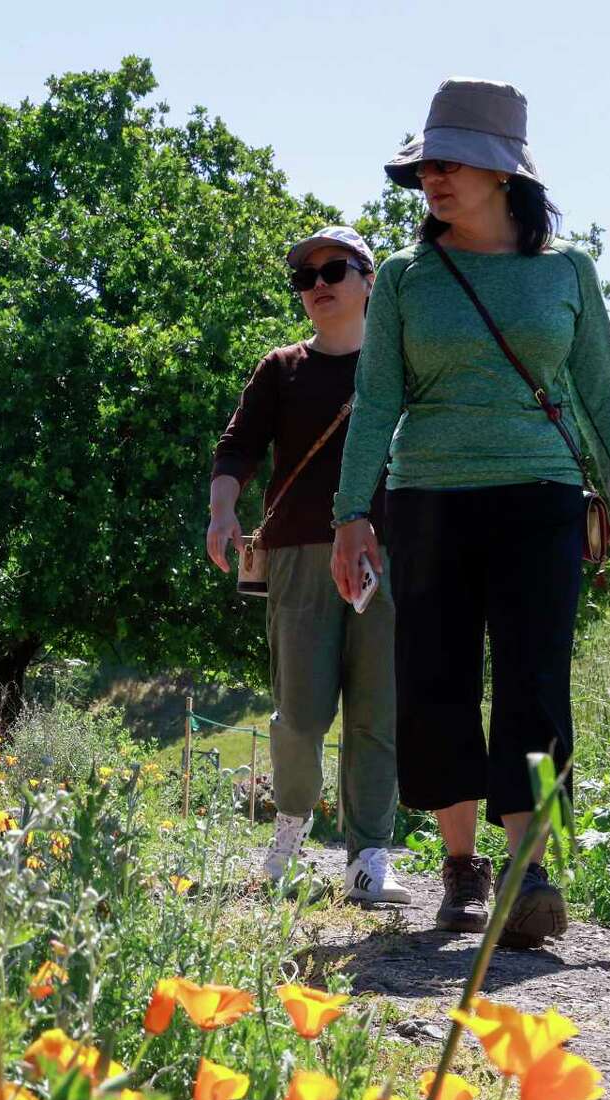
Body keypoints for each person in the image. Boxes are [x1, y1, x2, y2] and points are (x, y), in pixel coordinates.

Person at [331, 78, 610, 947]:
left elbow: (602, 397)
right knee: (436, 678)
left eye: (450, 163)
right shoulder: (403, 279)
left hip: (543, 498)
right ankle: (461, 868)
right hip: (427, 496)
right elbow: (374, 402)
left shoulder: (567, 274)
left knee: (534, 683)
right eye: (426, 165)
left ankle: (527, 871)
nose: (431, 178)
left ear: (503, 174)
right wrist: (350, 515)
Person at [208, 225, 407, 904]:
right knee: (299, 713)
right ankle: (289, 834)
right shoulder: (281, 368)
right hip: (298, 556)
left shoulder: (403, 367)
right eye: (305, 276)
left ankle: (368, 860)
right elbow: (236, 447)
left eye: (334, 269)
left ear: (369, 280)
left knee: (378, 712)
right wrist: (221, 510)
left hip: (390, 556)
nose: (318, 283)